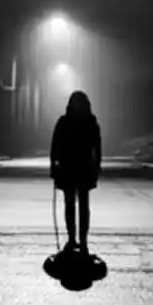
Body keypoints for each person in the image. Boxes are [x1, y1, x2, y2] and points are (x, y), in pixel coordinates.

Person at [50, 90, 102, 254]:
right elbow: (97, 146)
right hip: (80, 168)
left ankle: (75, 239)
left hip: (71, 168)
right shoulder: (90, 121)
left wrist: (54, 165)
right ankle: (79, 240)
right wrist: (97, 165)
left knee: (72, 205)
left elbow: (55, 145)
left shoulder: (65, 121)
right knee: (80, 205)